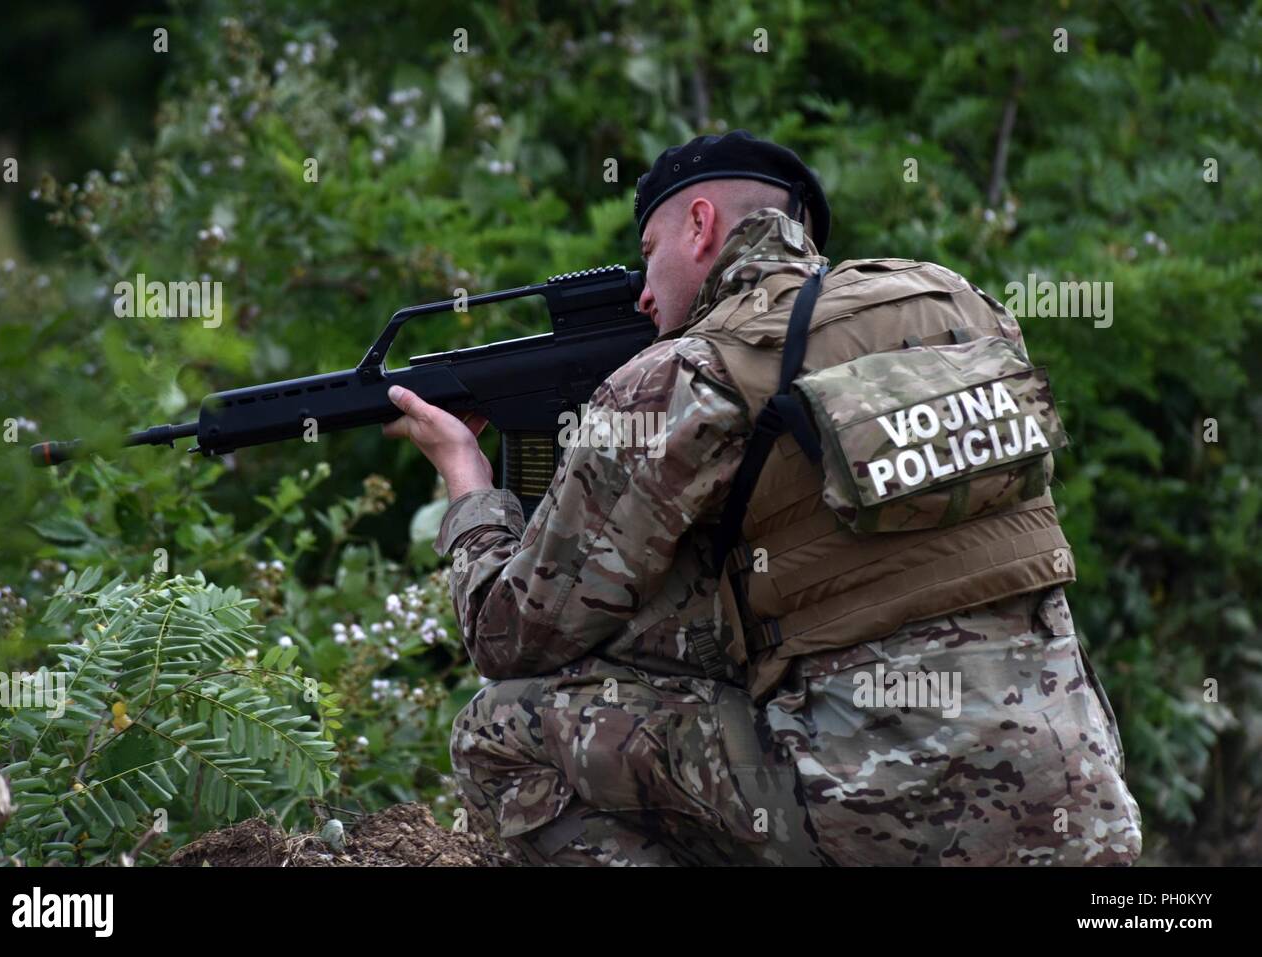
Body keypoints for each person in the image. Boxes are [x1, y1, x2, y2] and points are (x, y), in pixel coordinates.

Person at [384, 130, 1143, 866]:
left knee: (500, 728)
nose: (643, 294)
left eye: (648, 256)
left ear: (701, 226)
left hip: (873, 819)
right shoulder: (960, 307)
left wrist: (466, 478)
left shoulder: (684, 376)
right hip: (1077, 807)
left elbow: (512, 637)